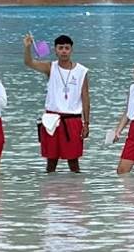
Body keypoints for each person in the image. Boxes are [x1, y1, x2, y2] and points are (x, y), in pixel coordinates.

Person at [24, 33, 89, 172]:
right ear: (55, 50)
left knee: (73, 161)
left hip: (72, 119)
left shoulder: (81, 71)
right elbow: (29, 63)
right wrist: (28, 47)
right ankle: (50, 191)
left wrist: (86, 123)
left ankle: (76, 190)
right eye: (61, 48)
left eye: (67, 48)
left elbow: (85, 97)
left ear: (71, 50)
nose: (64, 51)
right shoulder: (50, 67)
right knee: (51, 161)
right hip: (51, 119)